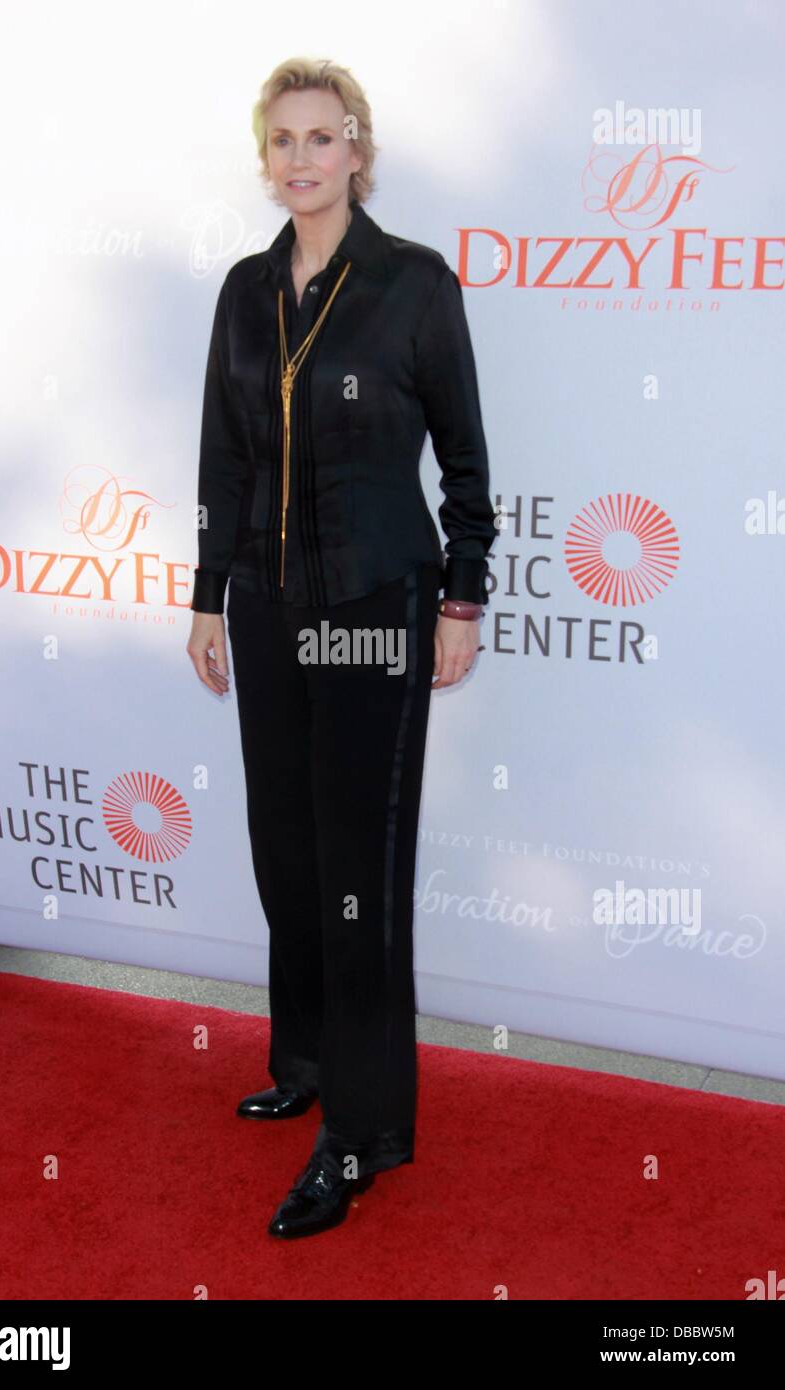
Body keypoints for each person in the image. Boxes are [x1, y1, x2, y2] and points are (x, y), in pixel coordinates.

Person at [186, 57, 497, 1239]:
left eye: (323, 138)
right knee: (288, 853)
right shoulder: (243, 291)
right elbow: (222, 455)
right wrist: (210, 593)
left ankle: (360, 1138)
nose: (302, 159)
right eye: (283, 141)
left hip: (374, 606)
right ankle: (308, 1058)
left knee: (359, 878)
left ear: (358, 151)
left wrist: (460, 603)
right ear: (263, 159)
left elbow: (465, 460)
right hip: (266, 607)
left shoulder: (413, 285)